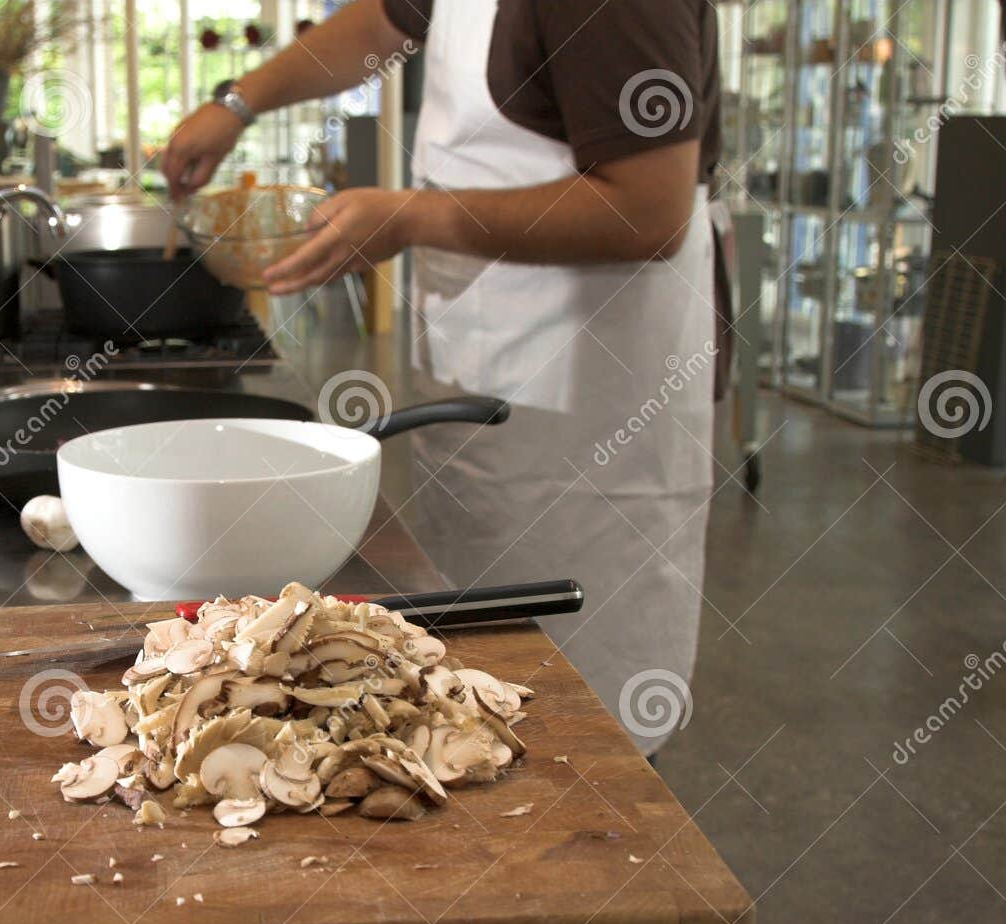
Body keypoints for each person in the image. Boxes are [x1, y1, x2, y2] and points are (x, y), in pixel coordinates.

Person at [162, 0, 721, 755]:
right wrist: (239, 101)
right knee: (479, 685)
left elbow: (650, 210)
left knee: (583, 723)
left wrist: (416, 218)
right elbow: (383, 23)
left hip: (592, 398)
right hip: (492, 372)